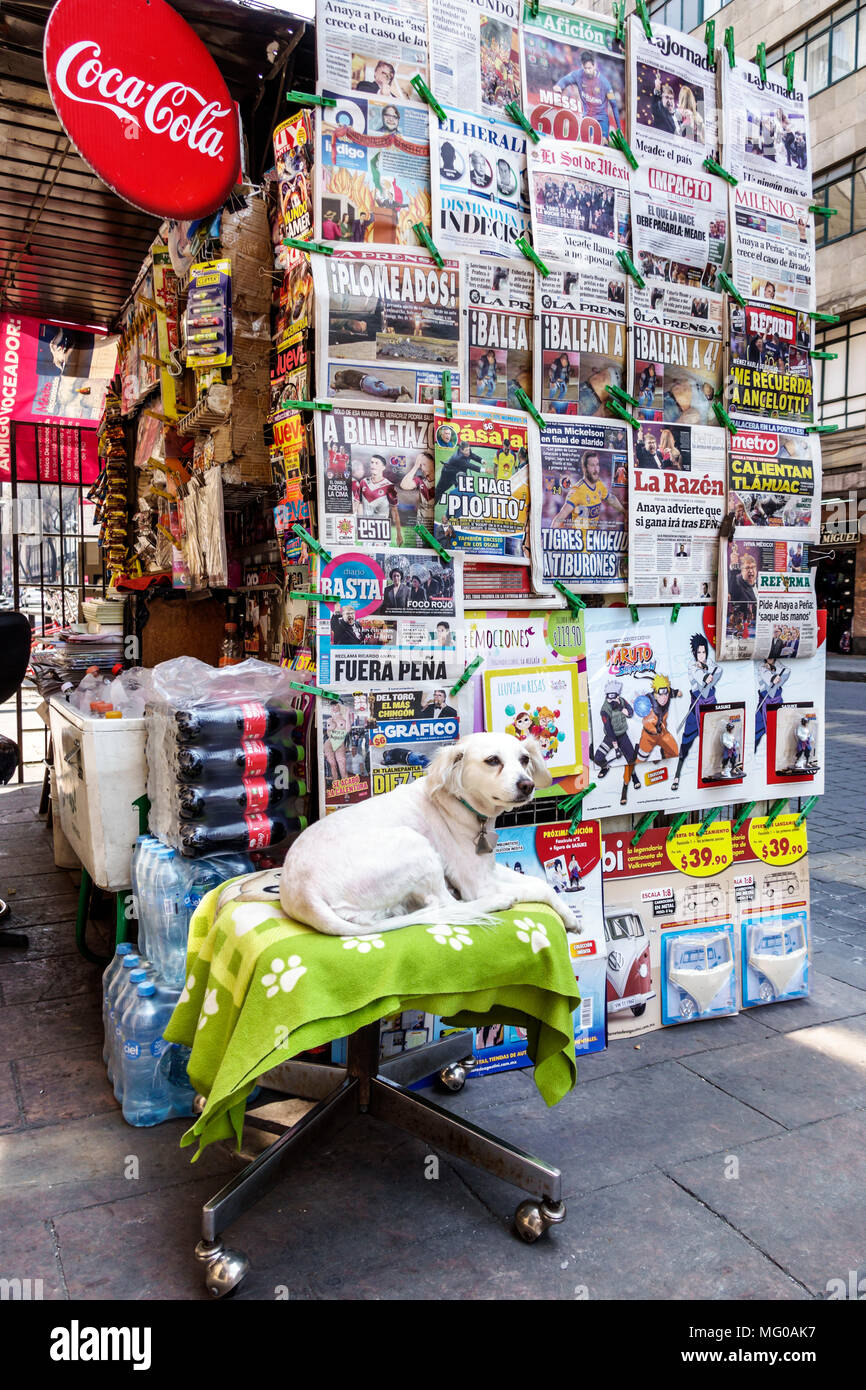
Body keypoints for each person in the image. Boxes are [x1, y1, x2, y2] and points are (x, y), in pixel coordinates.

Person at [551, 450, 625, 529]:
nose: (596, 469)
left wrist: (624, 511)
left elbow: (610, 498)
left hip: (592, 537)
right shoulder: (577, 490)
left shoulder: (599, 484)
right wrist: (550, 533)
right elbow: (562, 514)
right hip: (580, 538)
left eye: (597, 465)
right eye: (592, 465)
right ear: (585, 468)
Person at [555, 51, 621, 138]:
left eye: (589, 68)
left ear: (595, 66)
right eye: (585, 68)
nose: (587, 71)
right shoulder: (578, 75)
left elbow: (613, 105)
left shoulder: (604, 83)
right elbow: (566, 80)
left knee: (603, 143)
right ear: (582, 66)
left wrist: (618, 127)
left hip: (601, 119)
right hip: (587, 118)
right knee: (589, 142)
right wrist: (559, 86)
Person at [352, 455, 403, 545]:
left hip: (381, 532)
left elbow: (394, 511)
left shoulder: (389, 486)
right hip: (366, 531)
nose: (373, 465)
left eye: (376, 463)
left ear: (383, 467)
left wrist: (399, 534)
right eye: (372, 462)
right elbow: (356, 505)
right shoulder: (363, 482)